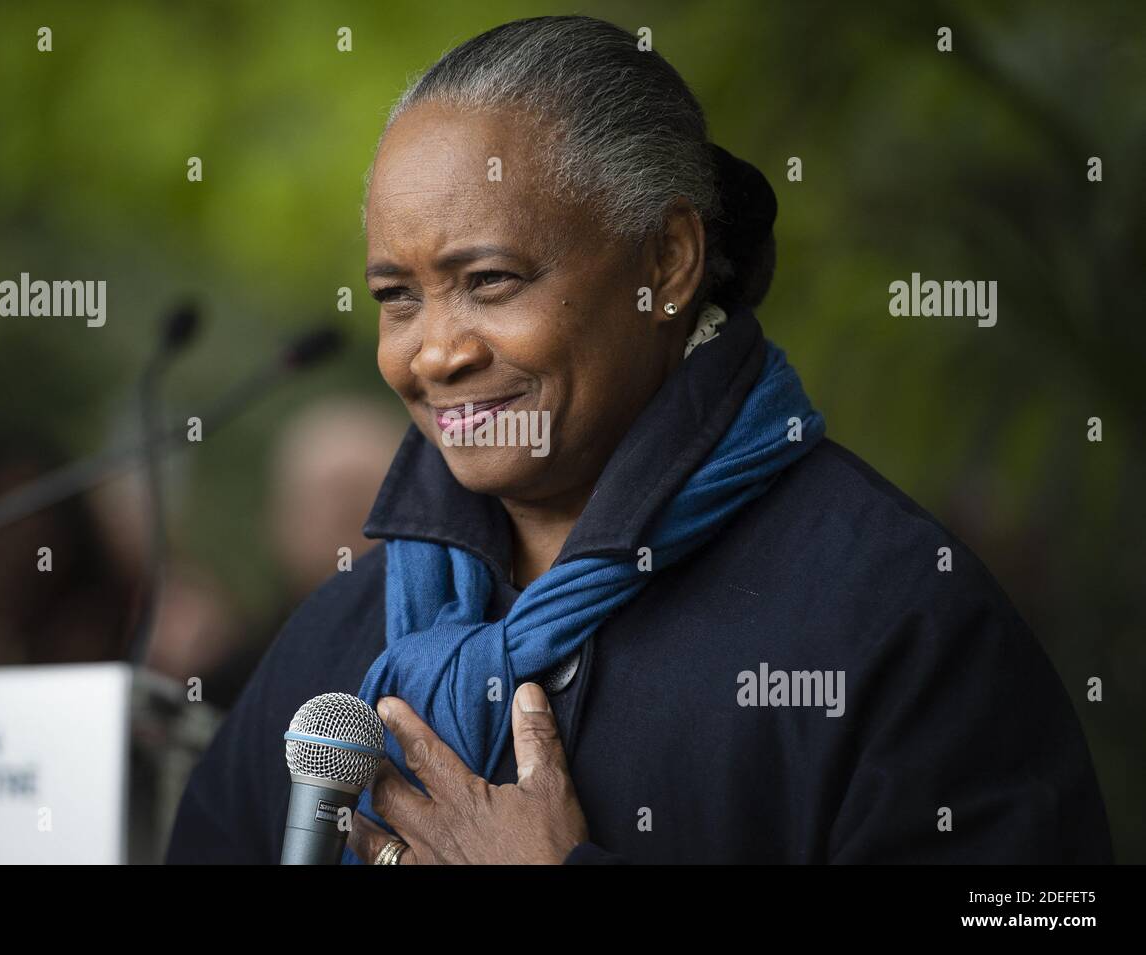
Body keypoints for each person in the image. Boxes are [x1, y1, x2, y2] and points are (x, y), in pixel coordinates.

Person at [167, 15, 1111, 864]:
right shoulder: (339, 637)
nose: (438, 350)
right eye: (396, 297)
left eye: (491, 280)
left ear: (666, 262)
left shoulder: (898, 622)